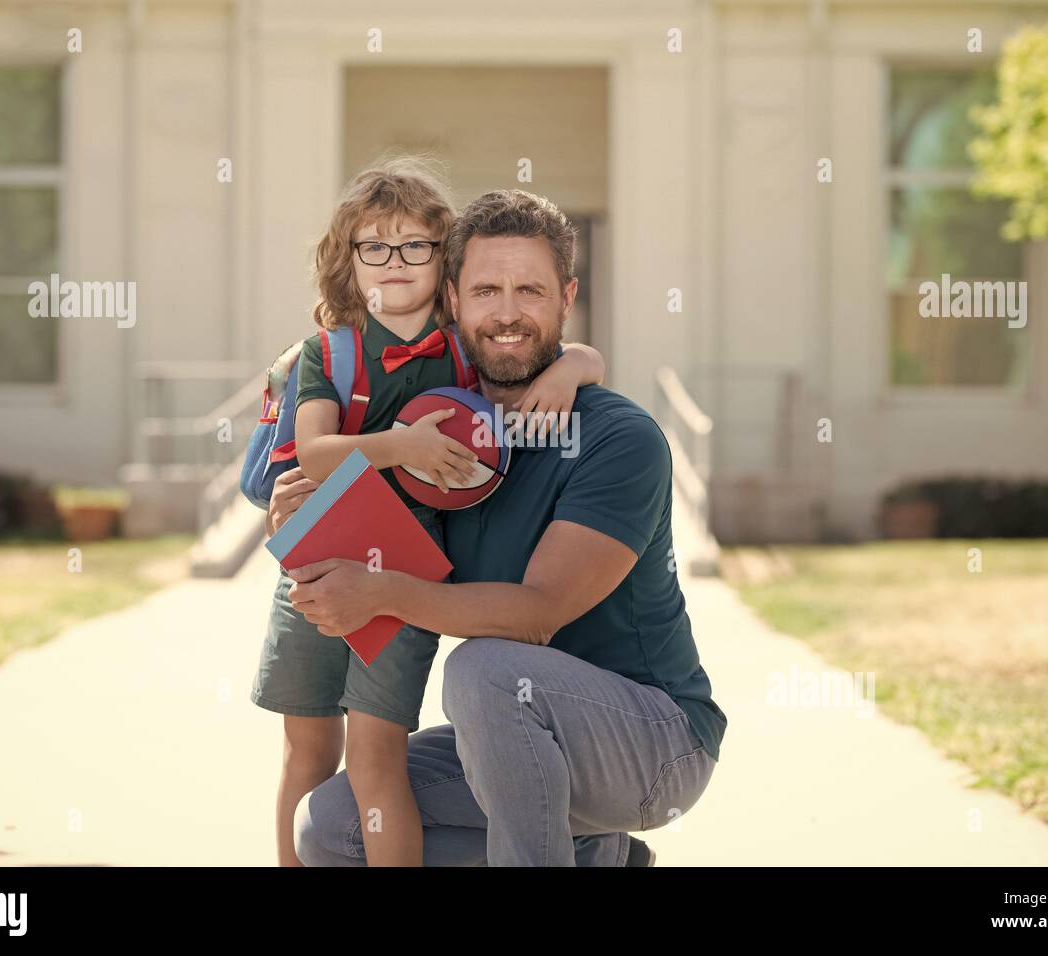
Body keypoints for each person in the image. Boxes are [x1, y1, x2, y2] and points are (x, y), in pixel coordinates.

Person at [281, 189, 726, 866]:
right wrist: (304, 508)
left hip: (654, 744)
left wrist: (378, 591)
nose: (509, 313)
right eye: (487, 290)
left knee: (485, 670)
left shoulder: (620, 438)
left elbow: (538, 615)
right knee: (332, 825)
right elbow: (355, 520)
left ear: (566, 298)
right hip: (519, 743)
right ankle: (600, 855)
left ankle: (584, 843)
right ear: (453, 299)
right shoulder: (428, 437)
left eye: (531, 291)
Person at [251, 161, 607, 866]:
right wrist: (401, 446)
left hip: (402, 587)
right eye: (373, 247)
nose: (394, 262)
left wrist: (568, 370)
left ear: (442, 262)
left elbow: (584, 357)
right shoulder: (329, 353)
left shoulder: (465, 354)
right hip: (316, 571)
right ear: (346, 261)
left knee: (378, 761)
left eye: (415, 245)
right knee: (306, 751)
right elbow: (315, 452)